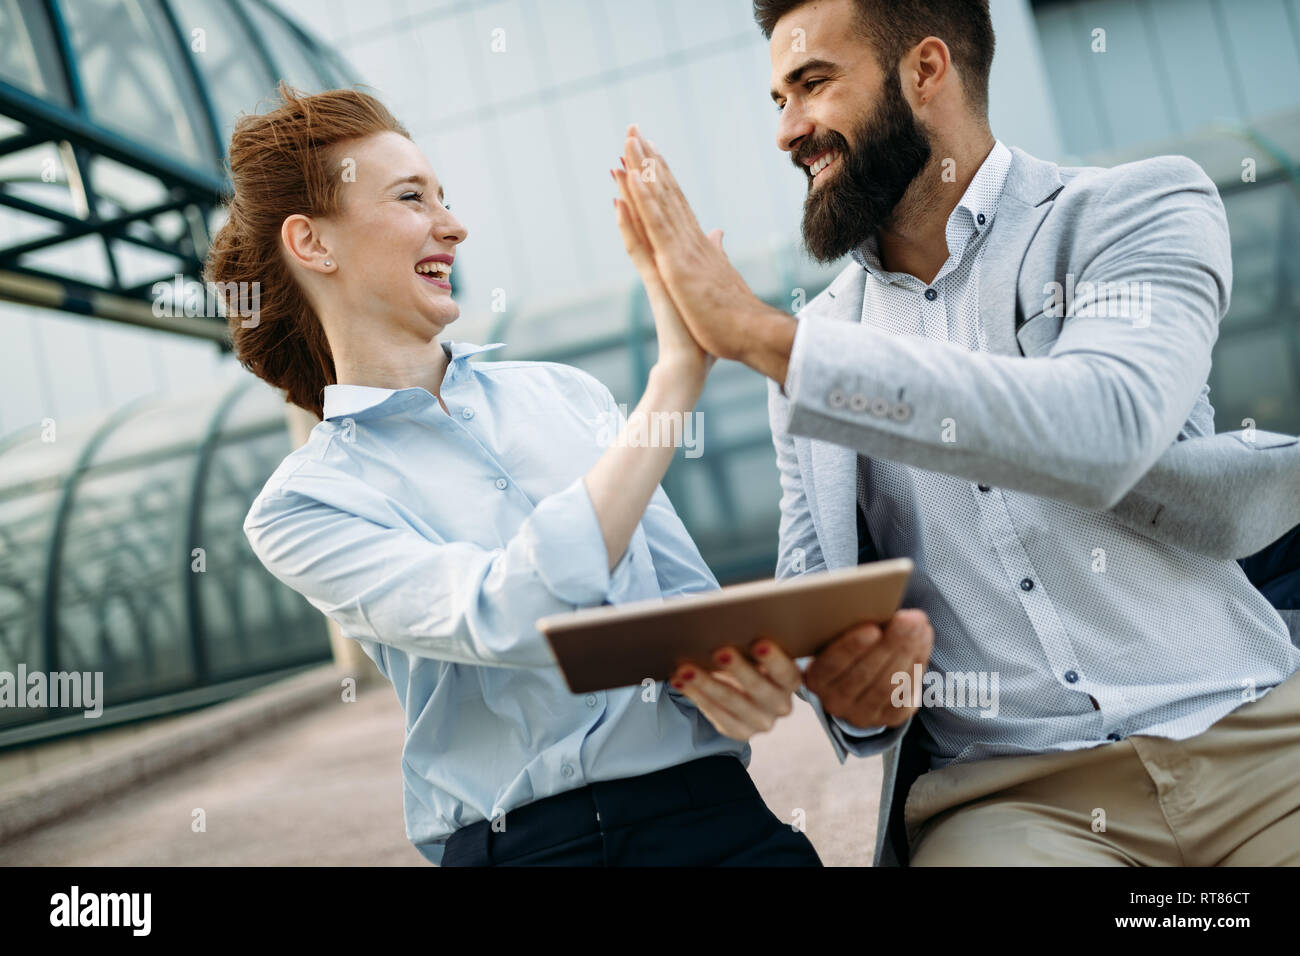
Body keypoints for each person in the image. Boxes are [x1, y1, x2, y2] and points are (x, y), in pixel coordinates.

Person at [614, 0, 1300, 866]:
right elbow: (823, 619)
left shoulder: (1132, 210)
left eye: (813, 86)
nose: (789, 130)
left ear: (926, 71)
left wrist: (765, 339)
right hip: (1014, 802)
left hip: (1260, 742)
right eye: (779, 101)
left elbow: (1109, 423)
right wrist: (858, 684)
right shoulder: (811, 351)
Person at [206, 82, 932, 866]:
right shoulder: (302, 505)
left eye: (442, 196)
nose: (453, 225)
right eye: (412, 197)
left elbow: (686, 610)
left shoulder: (568, 395)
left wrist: (735, 680)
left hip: (710, 818)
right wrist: (677, 374)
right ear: (313, 244)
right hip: (524, 852)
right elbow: (506, 615)